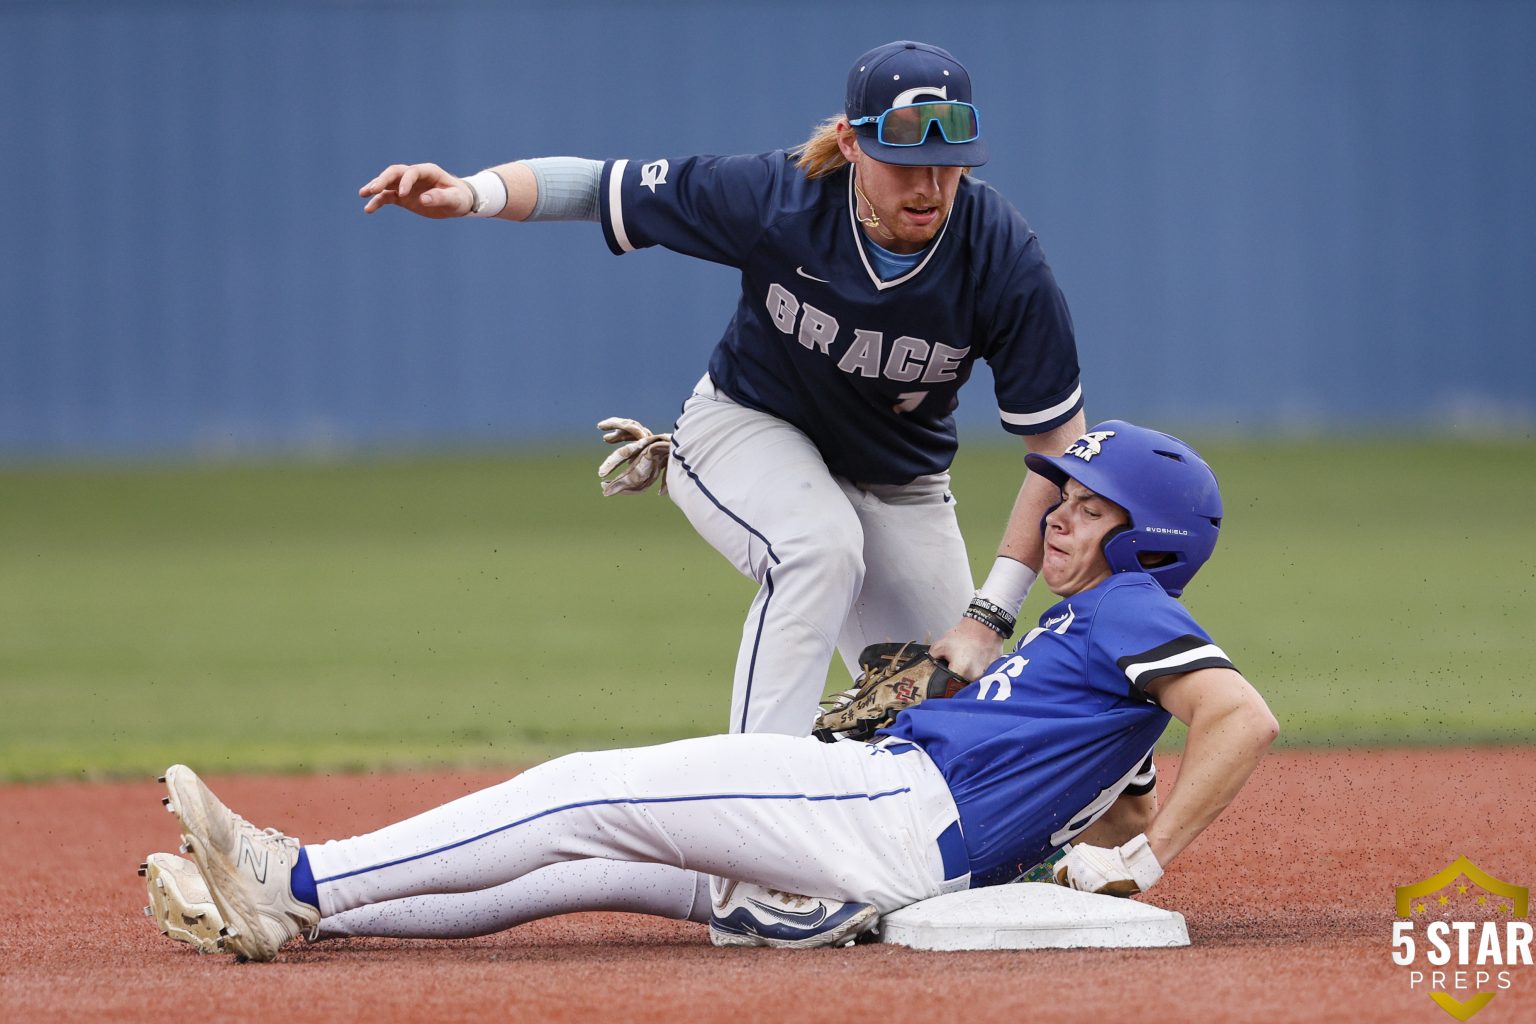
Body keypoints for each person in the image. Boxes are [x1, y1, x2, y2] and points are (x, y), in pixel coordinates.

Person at [142, 421, 1279, 962]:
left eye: (1088, 506)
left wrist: (1152, 853)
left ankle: (295, 870)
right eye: (1065, 497)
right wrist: (1107, 834)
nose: (1058, 514)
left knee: (587, 790)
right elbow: (1119, 795)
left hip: (888, 815)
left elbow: (1241, 716)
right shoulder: (1098, 640)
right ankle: (302, 914)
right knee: (589, 863)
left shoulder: (1137, 613)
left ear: (1151, 542)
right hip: (879, 853)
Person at [357, 40, 1087, 737]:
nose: (929, 186)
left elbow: (1061, 453)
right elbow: (597, 184)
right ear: (851, 142)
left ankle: (850, 810)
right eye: (905, 162)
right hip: (749, 426)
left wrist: (989, 617)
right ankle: (750, 828)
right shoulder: (778, 198)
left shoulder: (1002, 257)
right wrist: (470, 193)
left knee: (950, 708)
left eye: (947, 163)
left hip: (900, 480)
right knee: (819, 549)